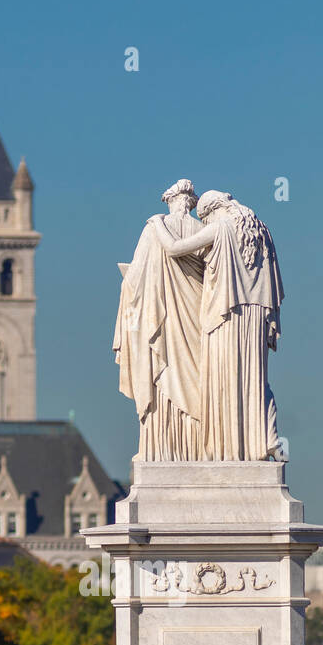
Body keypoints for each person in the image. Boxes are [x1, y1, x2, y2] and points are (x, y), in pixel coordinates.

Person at [150, 191, 283, 461]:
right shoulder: (263, 231)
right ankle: (264, 440)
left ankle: (229, 452)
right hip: (256, 315)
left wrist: (157, 223)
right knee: (255, 379)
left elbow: (175, 249)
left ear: (211, 213)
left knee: (224, 378)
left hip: (227, 314)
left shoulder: (221, 227)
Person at [114, 179, 206, 460]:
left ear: (172, 201)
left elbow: (135, 278)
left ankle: (163, 448)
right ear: (190, 203)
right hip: (196, 311)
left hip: (163, 317)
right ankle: (199, 446)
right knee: (196, 375)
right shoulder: (202, 229)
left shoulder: (155, 228)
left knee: (162, 372)